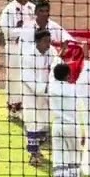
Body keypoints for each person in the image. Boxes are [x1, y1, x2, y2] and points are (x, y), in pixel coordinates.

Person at [0, 0, 37, 119]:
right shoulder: (9, 10)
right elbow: (7, 31)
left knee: (28, 77)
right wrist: (26, 31)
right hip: (14, 48)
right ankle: (14, 108)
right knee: (14, 78)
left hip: (29, 48)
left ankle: (26, 107)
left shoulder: (32, 7)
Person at [21, 29, 61, 166]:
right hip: (32, 95)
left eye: (49, 41)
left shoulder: (53, 52)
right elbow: (27, 78)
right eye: (45, 42)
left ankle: (38, 149)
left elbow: (57, 69)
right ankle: (34, 155)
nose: (48, 44)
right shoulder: (28, 56)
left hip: (47, 95)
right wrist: (44, 89)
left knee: (44, 124)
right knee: (32, 123)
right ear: (37, 41)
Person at [49, 62, 83, 177]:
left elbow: (53, 74)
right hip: (73, 127)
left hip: (57, 126)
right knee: (74, 157)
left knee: (59, 157)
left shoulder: (51, 87)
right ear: (68, 75)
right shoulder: (74, 89)